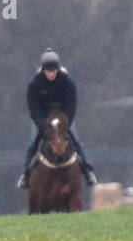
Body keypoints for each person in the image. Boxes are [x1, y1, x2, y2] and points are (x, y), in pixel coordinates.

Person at [17, 49, 97, 189]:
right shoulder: (35, 85)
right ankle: (26, 174)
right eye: (48, 71)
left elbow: (72, 105)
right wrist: (42, 126)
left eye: (54, 70)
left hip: (63, 118)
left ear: (58, 69)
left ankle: (88, 171)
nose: (51, 73)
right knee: (32, 144)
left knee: (76, 141)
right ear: (43, 70)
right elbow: (34, 108)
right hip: (42, 118)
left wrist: (66, 122)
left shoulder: (67, 82)